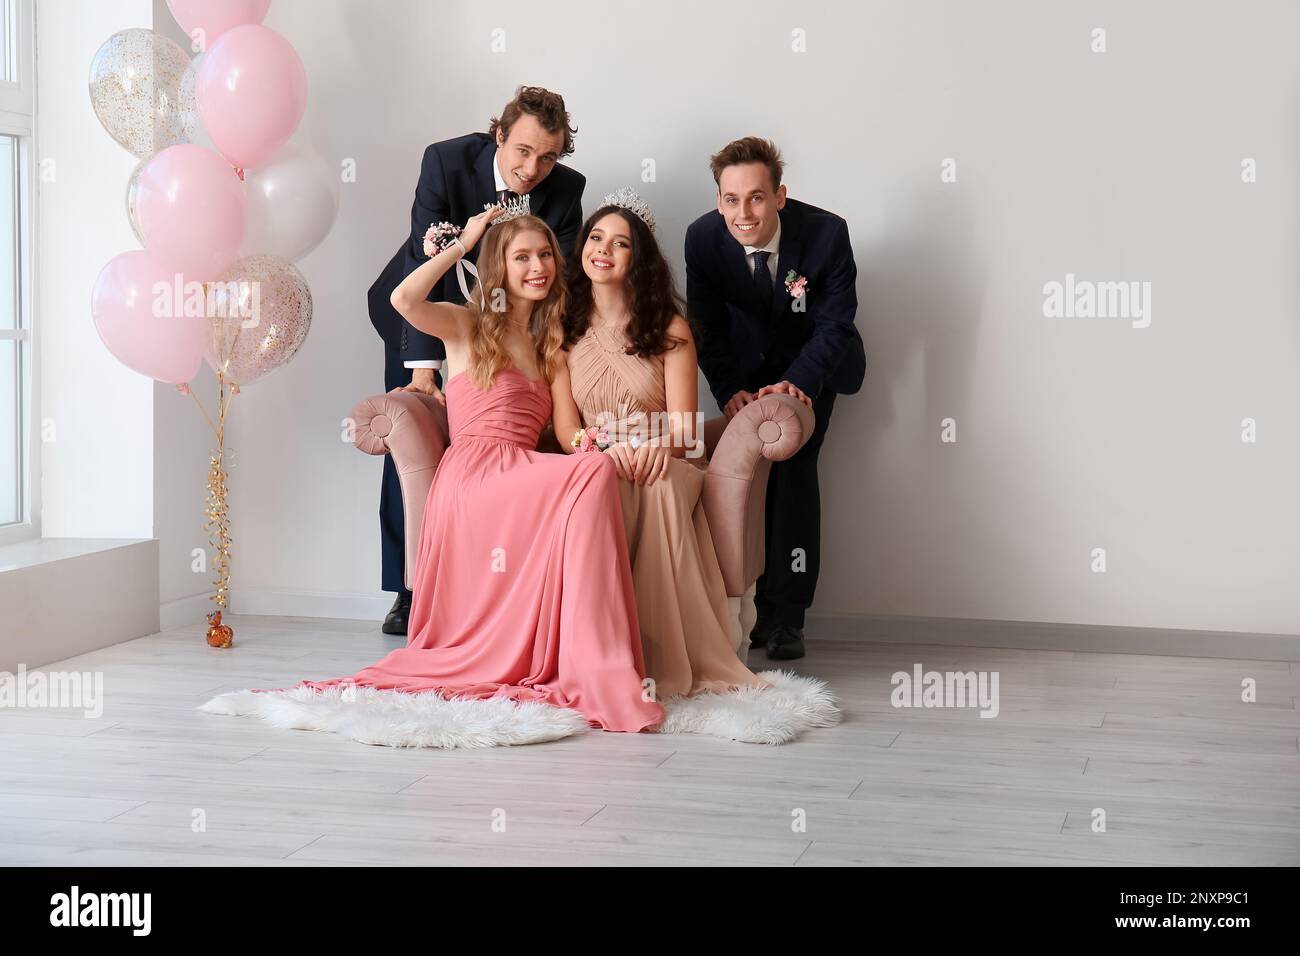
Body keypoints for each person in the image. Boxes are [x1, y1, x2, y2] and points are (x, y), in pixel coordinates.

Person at [234, 208, 662, 736]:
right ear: (497, 267)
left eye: (545, 254)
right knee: (591, 474)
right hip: (473, 477)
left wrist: (604, 443)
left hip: (520, 471)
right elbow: (401, 301)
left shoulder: (551, 348)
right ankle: (591, 656)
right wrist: (461, 246)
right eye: (521, 256)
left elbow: (572, 436)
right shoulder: (465, 326)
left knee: (594, 467)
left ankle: (588, 655)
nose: (538, 267)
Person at [367, 86, 586, 635]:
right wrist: (424, 368)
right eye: (522, 152)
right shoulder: (445, 160)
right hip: (424, 313)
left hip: (506, 323)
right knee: (412, 443)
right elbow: (423, 255)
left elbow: (556, 277)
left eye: (548, 157)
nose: (533, 168)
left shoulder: (566, 190)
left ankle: (495, 591)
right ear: (500, 136)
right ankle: (408, 587)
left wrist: (542, 358)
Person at [552, 189, 769, 700]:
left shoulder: (669, 327)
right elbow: (566, 431)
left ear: (638, 260)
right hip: (598, 455)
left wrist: (654, 447)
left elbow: (687, 427)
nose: (603, 249)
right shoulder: (562, 330)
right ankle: (599, 652)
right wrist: (601, 448)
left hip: (664, 455)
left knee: (659, 485)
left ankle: (662, 657)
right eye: (596, 237)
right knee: (596, 482)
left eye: (620, 243)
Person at [685, 137, 866, 661]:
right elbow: (707, 326)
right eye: (732, 199)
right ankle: (745, 611)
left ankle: (786, 617)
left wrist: (798, 383)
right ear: (719, 200)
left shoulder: (827, 234)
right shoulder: (701, 238)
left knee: (791, 473)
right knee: (740, 480)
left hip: (816, 366)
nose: (744, 212)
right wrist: (728, 392)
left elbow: (834, 325)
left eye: (757, 198)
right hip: (745, 372)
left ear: (780, 195)